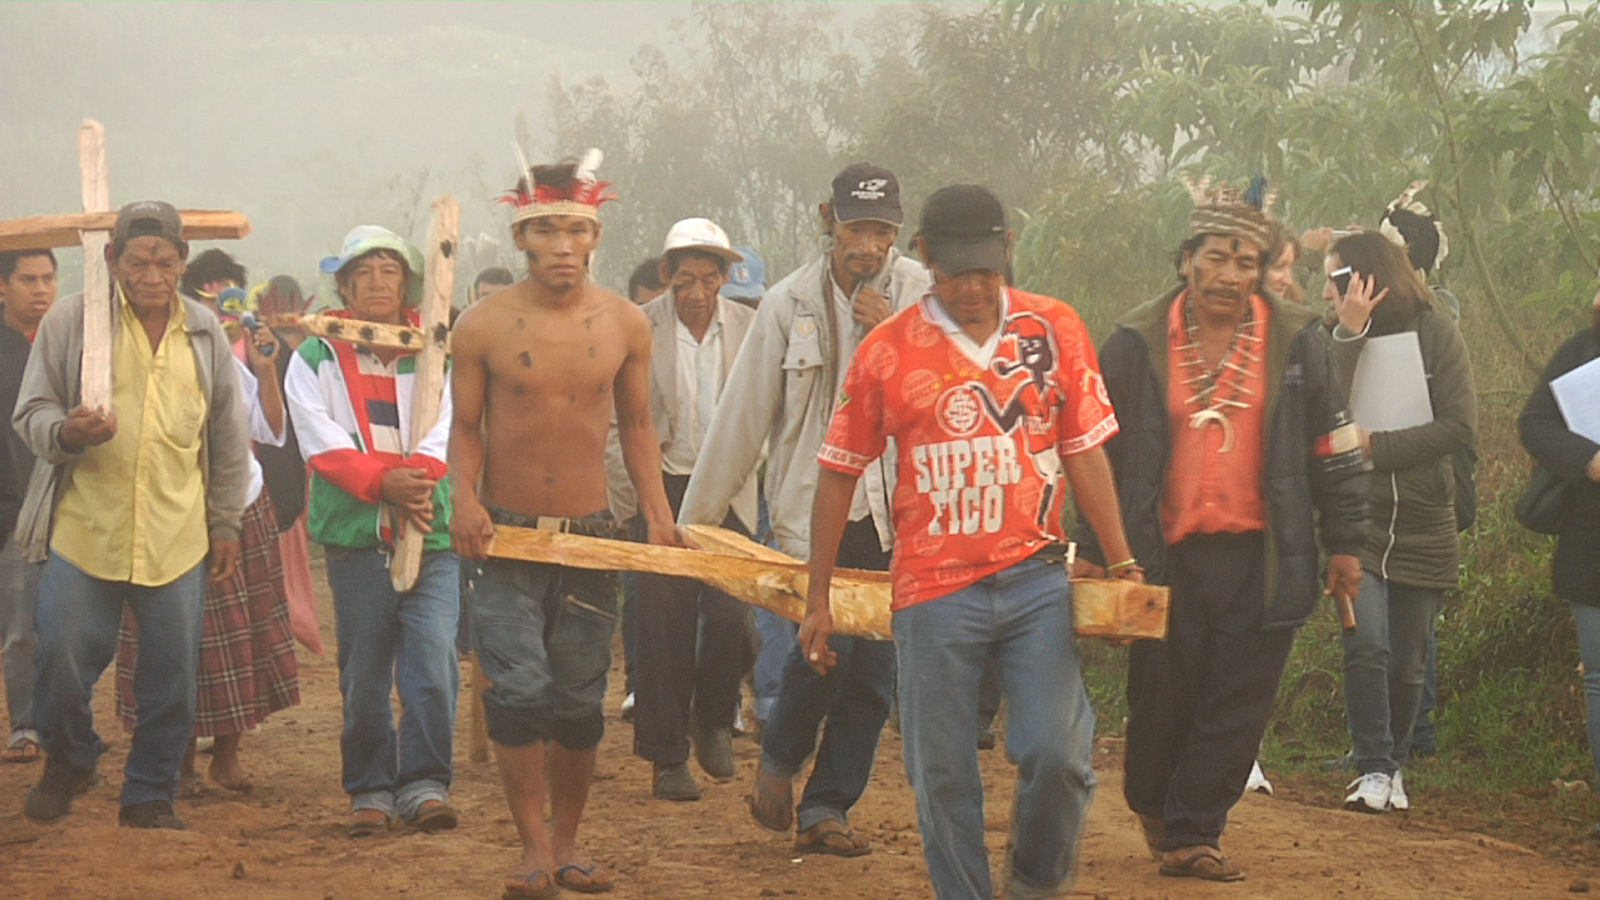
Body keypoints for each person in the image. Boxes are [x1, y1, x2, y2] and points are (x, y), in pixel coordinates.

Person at [801, 182, 1141, 900]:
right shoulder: (887, 350)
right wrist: (817, 597)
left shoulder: (1054, 329)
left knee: (1059, 753)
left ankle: (1034, 882)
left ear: (1008, 252)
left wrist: (1125, 561)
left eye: (988, 269)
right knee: (943, 772)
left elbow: (1083, 449)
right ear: (925, 259)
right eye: (957, 273)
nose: (975, 287)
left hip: (1036, 578)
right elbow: (838, 473)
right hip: (931, 590)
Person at [1074, 179, 1367, 881]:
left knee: (1238, 702)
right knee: (1161, 699)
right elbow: (1097, 453)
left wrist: (1347, 541)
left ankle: (1194, 831)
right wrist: (1093, 549)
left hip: (1265, 554)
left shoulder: (1297, 341)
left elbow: (1334, 445)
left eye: (1246, 263)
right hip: (1164, 555)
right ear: (1186, 261)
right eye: (1216, 259)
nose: (1230, 276)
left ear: (1262, 271)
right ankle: (1154, 801)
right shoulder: (1134, 341)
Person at [449, 154, 689, 898]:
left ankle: (569, 842)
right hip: (508, 535)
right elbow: (464, 427)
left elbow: (639, 423)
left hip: (591, 533)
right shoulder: (482, 324)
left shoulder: (622, 323)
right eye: (546, 230)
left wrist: (657, 513)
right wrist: (464, 499)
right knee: (518, 690)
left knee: (580, 699)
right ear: (522, 238)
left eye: (574, 230)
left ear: (595, 235)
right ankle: (531, 848)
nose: (560, 244)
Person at [678, 162, 929, 857]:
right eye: (857, 228)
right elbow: (744, 415)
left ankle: (827, 808)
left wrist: (899, 335)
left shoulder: (923, 298)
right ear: (829, 220)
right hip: (808, 514)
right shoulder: (789, 303)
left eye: (882, 231)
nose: (869, 245)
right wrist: (695, 525)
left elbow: (947, 395)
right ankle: (782, 760)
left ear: (898, 233)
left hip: (898, 516)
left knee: (876, 674)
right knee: (819, 655)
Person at [14, 201, 251, 829]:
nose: (152, 274)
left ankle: (149, 795)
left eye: (166, 262)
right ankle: (71, 757)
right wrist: (68, 431)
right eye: (139, 260)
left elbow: (228, 437)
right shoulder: (73, 321)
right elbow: (30, 412)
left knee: (171, 676)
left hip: (177, 533)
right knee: (60, 653)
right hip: (84, 527)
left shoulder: (204, 334)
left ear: (183, 266)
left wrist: (225, 522)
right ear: (113, 260)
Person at [285, 225, 461, 837]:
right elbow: (317, 437)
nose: (377, 283)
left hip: (429, 530)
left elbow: (448, 420)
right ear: (343, 285)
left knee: (434, 661)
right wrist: (380, 482)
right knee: (364, 672)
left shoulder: (437, 346)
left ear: (409, 282)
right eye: (363, 272)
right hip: (358, 532)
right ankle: (369, 787)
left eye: (389, 271)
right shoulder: (315, 354)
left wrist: (419, 476)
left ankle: (426, 782)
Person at [112, 250, 300, 794]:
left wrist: (266, 371)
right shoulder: (153, 358)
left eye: (231, 299)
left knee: (243, 634)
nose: (219, 312)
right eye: (209, 299)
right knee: (173, 638)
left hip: (240, 506)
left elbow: (268, 430)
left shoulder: (239, 362)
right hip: (168, 514)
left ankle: (227, 757)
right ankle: (181, 760)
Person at [1324, 230, 1477, 814]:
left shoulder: (1437, 331)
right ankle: (1374, 767)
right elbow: (1320, 404)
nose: (1330, 292)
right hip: (1357, 518)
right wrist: (1349, 332)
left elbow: (1459, 426)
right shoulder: (1330, 334)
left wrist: (1376, 447)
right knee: (1366, 643)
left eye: (1339, 281)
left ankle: (1397, 766)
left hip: (1423, 517)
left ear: (1369, 278)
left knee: (1410, 660)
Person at [611, 218, 759, 801]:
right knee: (661, 622)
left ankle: (715, 717)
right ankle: (666, 756)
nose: (697, 293)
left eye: (709, 278)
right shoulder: (639, 329)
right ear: (667, 278)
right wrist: (634, 502)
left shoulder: (751, 328)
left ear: (726, 277)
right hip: (661, 487)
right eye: (685, 280)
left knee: (732, 618)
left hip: (729, 490)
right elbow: (622, 419)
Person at [1518, 271, 1600, 838]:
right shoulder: (1581, 352)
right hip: (1590, 539)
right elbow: (1535, 422)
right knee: (1599, 676)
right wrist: (1588, 459)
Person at [0, 248, 57, 765]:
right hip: (13, 514)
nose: (40, 289)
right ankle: (27, 724)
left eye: (47, 278)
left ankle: (68, 723)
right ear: (2, 287)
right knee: (20, 627)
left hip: (76, 508)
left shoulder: (72, 343)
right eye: (26, 279)